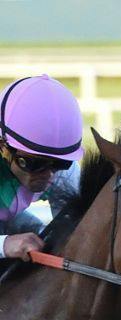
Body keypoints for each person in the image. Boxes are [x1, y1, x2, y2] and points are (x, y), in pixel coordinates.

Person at [0, 75, 84, 262]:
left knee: (43, 237)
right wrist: (4, 245)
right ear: (3, 147)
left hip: (10, 219)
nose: (48, 175)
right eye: (35, 164)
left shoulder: (63, 172)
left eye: (59, 164)